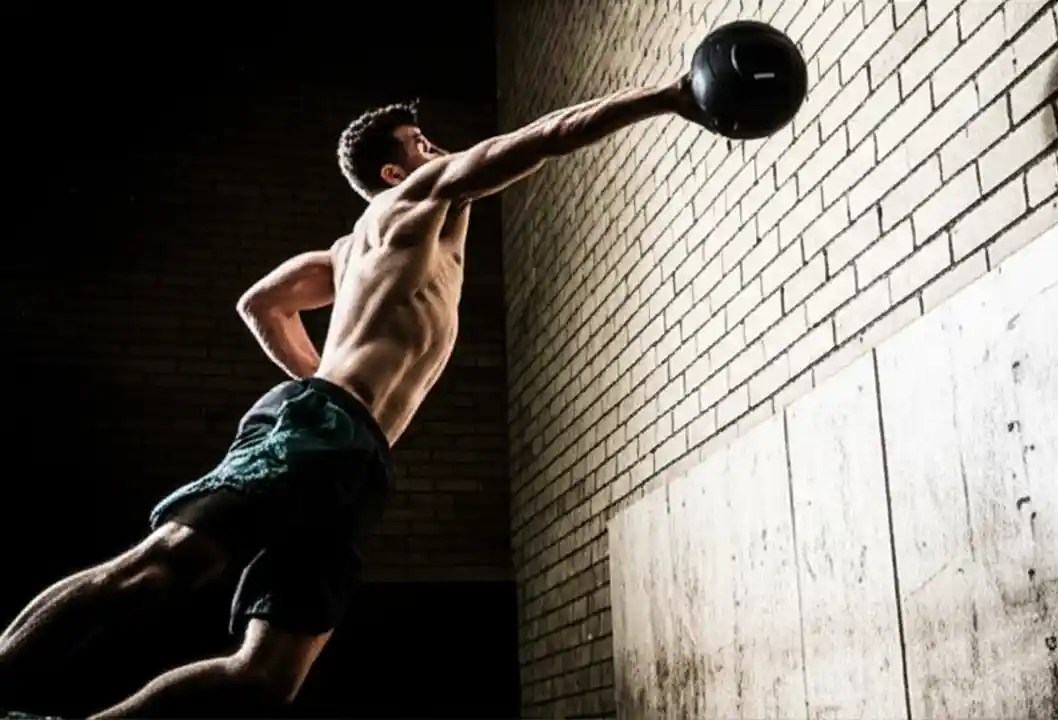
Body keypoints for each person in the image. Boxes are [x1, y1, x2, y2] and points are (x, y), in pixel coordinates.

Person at [0, 76, 709, 717]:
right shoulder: (414, 198)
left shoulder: (359, 252)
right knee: (160, 570)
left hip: (355, 454)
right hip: (325, 431)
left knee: (266, 676)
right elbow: (546, 137)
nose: (442, 147)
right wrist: (673, 96)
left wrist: (321, 385)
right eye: (422, 142)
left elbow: (263, 304)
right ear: (395, 172)